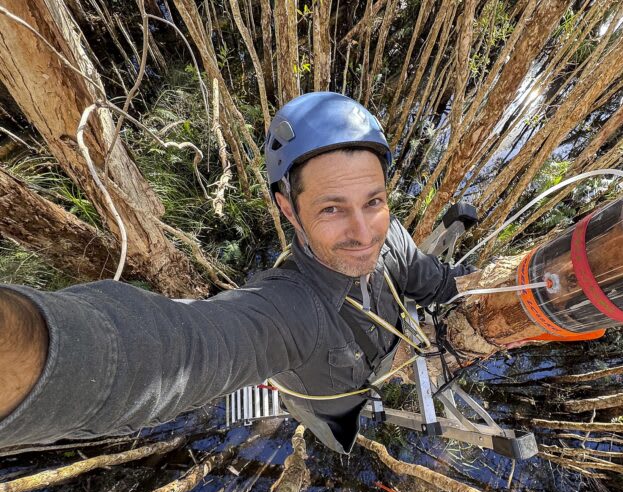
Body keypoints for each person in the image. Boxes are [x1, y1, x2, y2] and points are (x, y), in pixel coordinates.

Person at [0, 92, 473, 454]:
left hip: (381, 362)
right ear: (288, 209)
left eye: (374, 201)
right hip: (329, 406)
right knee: (340, 439)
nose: (364, 232)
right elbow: (184, 347)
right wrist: (27, 347)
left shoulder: (394, 238)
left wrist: (457, 290)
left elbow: (424, 275)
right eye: (332, 208)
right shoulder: (288, 309)